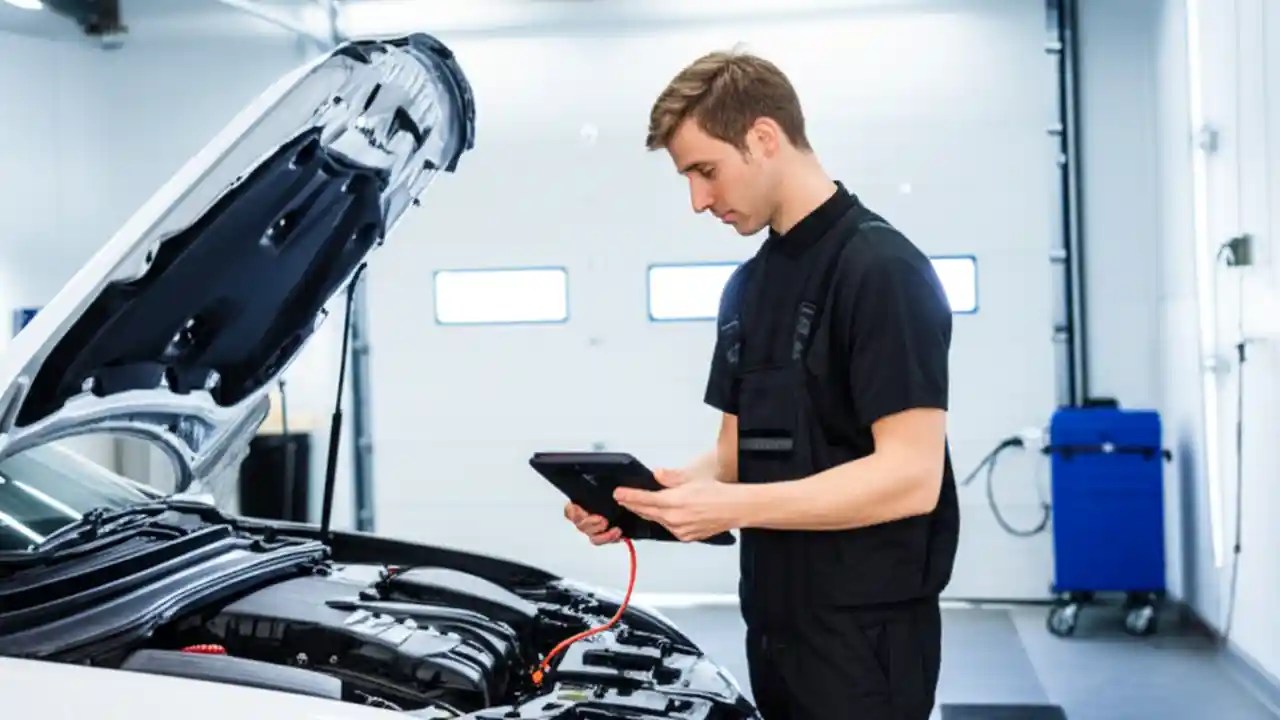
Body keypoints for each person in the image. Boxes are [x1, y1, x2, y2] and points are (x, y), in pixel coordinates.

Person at [564, 48, 960, 720]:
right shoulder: (747, 287)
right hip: (775, 631)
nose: (698, 200)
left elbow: (911, 477)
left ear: (763, 138)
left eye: (705, 171)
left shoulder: (883, 272)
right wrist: (641, 499)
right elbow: (736, 452)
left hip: (866, 645)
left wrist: (733, 508)